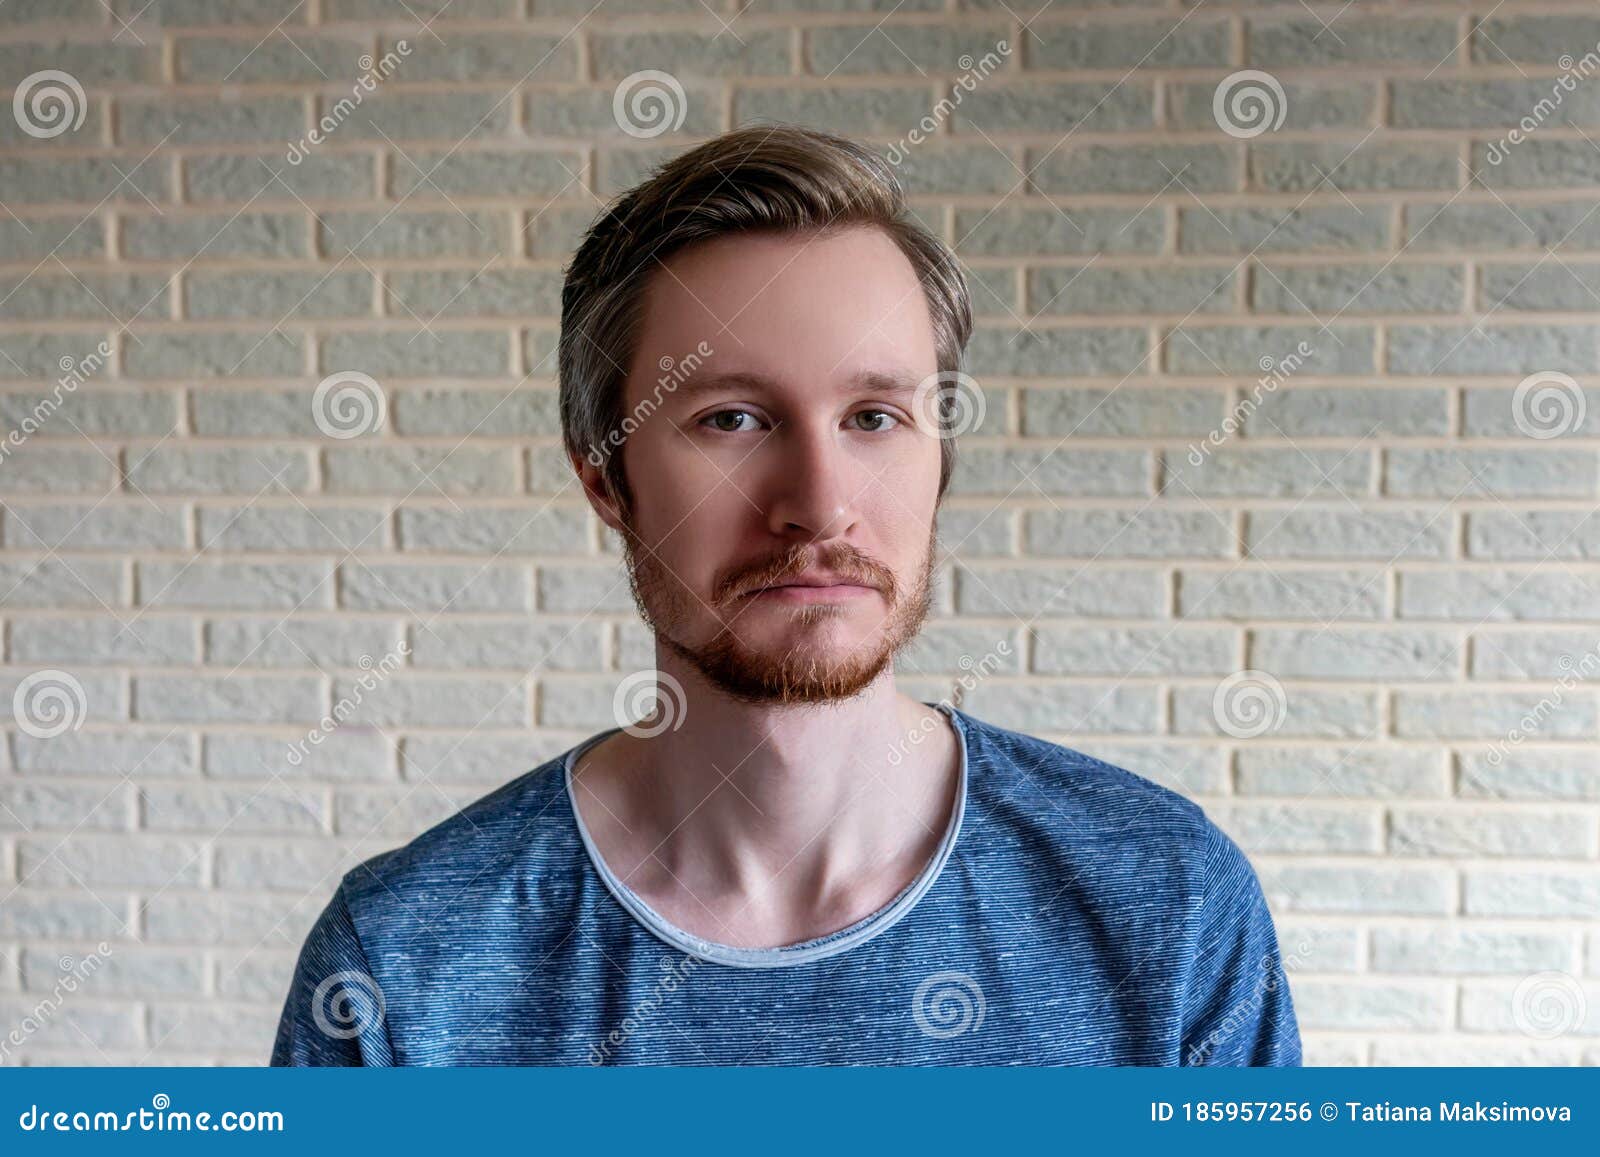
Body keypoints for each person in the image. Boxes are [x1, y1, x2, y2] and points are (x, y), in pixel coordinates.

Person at [272, 124, 1301, 1067]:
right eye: (731, 419)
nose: (819, 505)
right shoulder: (402, 966)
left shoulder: (1170, 905)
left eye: (874, 417)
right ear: (605, 479)